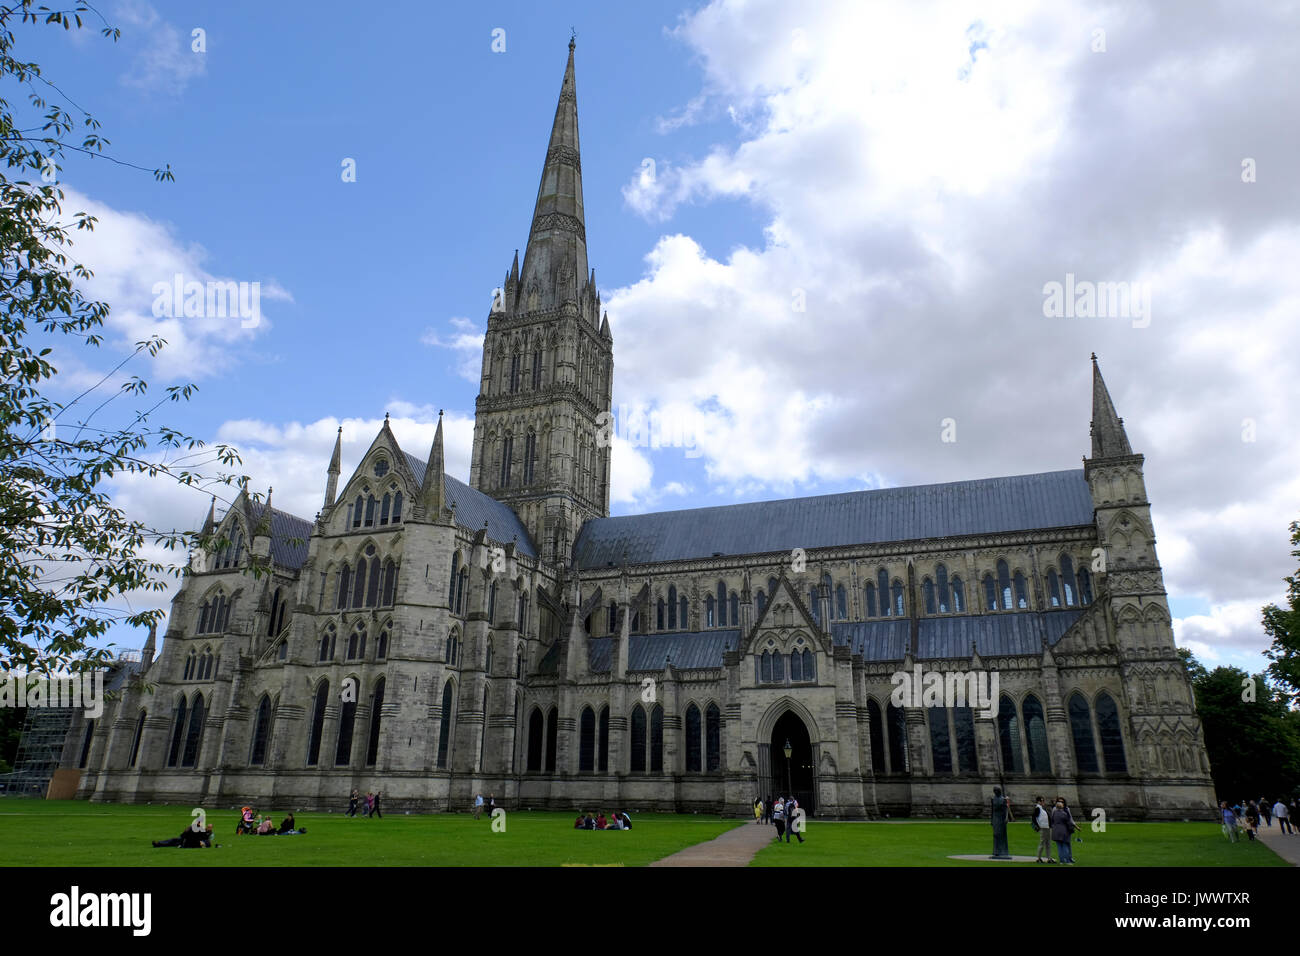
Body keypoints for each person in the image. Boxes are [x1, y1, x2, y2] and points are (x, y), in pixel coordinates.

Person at [1050, 797, 1076, 863]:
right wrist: (1074, 827)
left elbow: (1052, 821)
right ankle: (1068, 860)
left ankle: (1062, 860)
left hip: (1056, 831)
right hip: (1064, 831)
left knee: (1060, 847)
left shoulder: (1055, 812)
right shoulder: (1064, 814)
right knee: (1065, 845)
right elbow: (1069, 821)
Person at [990, 787, 1013, 859]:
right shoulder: (993, 799)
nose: (995, 793)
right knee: (995, 835)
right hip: (995, 818)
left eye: (996, 791)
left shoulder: (1003, 799)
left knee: (1001, 835)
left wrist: (1007, 818)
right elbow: (992, 810)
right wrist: (991, 820)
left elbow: (1006, 809)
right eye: (994, 791)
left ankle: (1003, 851)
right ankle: (996, 851)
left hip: (1001, 818)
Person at [1032, 796, 1054, 863]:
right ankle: (1039, 858)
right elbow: (1033, 818)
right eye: (1041, 801)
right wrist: (1038, 826)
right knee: (1042, 843)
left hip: (1047, 827)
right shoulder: (1038, 808)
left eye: (1043, 800)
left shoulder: (1042, 808)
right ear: (1038, 801)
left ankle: (1049, 858)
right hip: (1043, 827)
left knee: (1048, 843)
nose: (1043, 802)